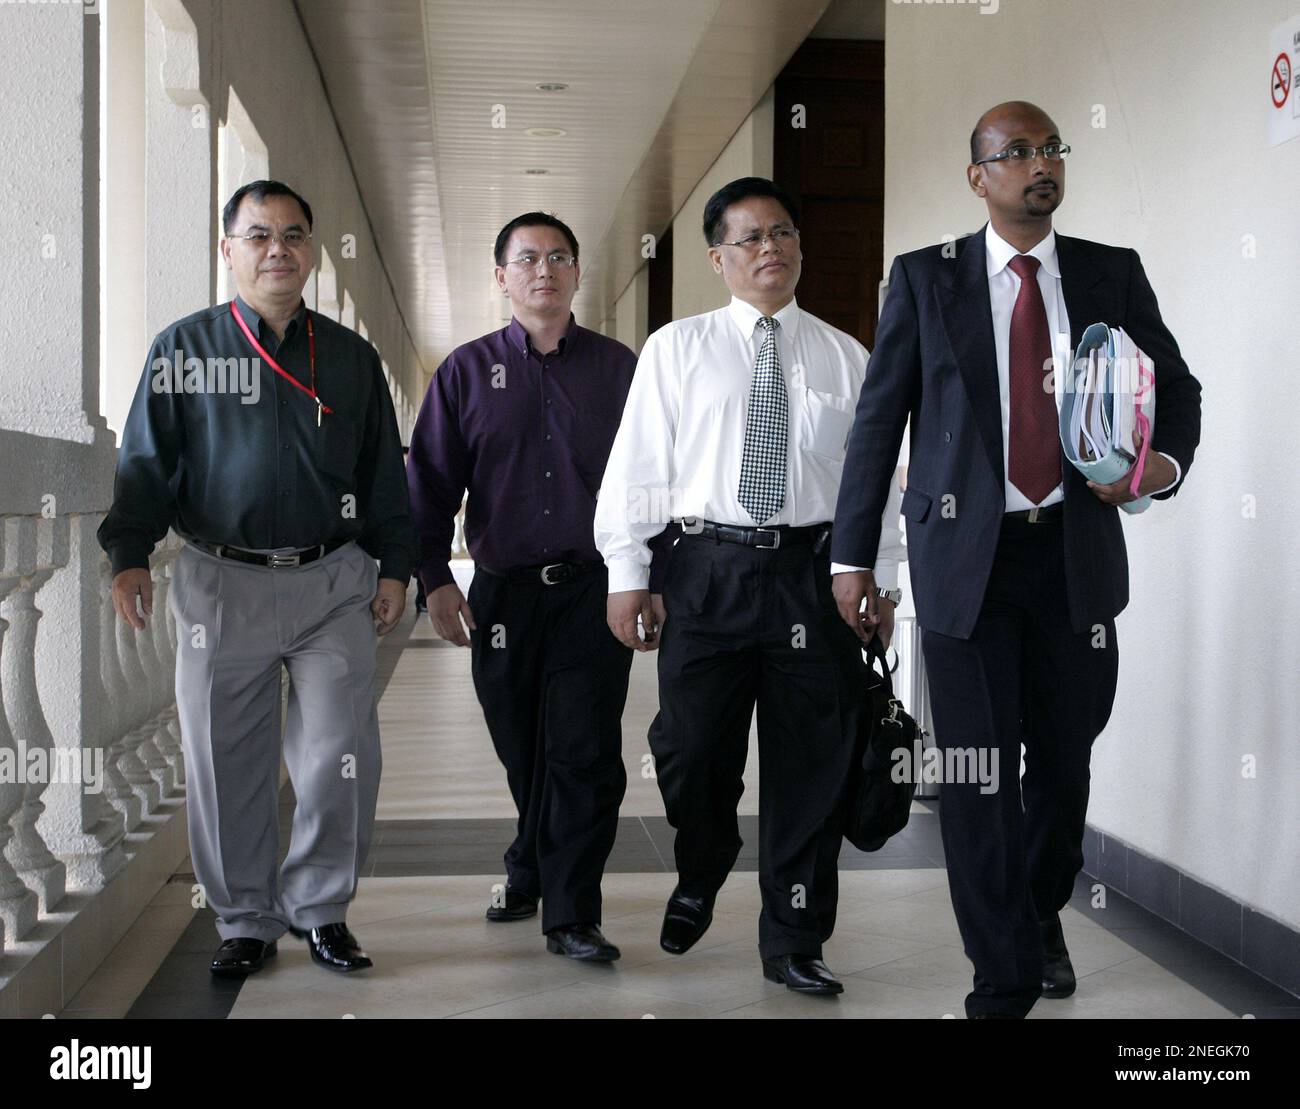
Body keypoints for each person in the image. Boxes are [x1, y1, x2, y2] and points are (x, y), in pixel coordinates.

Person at [831, 102, 1202, 1018]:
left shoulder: (1110, 274)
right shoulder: (926, 280)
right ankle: (1001, 973)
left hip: (1071, 561)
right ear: (979, 176)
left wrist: (1160, 464)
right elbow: (877, 428)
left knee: (1065, 764)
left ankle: (1038, 911)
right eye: (1018, 152)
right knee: (975, 775)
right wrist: (852, 558)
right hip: (966, 565)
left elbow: (1178, 388)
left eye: (1051, 149)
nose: (1040, 164)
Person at [595, 177, 905, 995]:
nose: (771, 249)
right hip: (707, 571)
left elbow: (879, 481)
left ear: (799, 246)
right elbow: (637, 469)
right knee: (690, 748)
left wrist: (881, 581)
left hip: (817, 575)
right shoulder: (676, 348)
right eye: (751, 238)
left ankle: (795, 935)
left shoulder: (847, 356)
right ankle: (702, 861)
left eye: (783, 233)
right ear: (718, 258)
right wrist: (630, 574)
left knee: (815, 763)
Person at [99, 180, 414, 978]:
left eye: (295, 235)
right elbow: (144, 461)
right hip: (218, 581)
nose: (279, 249)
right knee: (223, 755)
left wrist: (397, 565)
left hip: (332, 580)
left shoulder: (348, 358)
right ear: (228, 249)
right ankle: (244, 916)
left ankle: (321, 909)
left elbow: (385, 474)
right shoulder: (184, 350)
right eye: (260, 235)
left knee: (341, 753)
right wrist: (129, 552)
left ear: (311, 249)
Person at [408, 212, 661, 961]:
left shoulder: (620, 370)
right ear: (502, 277)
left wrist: (650, 579)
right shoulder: (464, 372)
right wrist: (434, 580)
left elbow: (654, 482)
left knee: (583, 751)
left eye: (559, 257)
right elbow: (426, 485)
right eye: (527, 259)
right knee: (523, 745)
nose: (543, 270)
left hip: (594, 589)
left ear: (578, 273)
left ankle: (572, 911)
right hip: (503, 594)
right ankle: (530, 856)